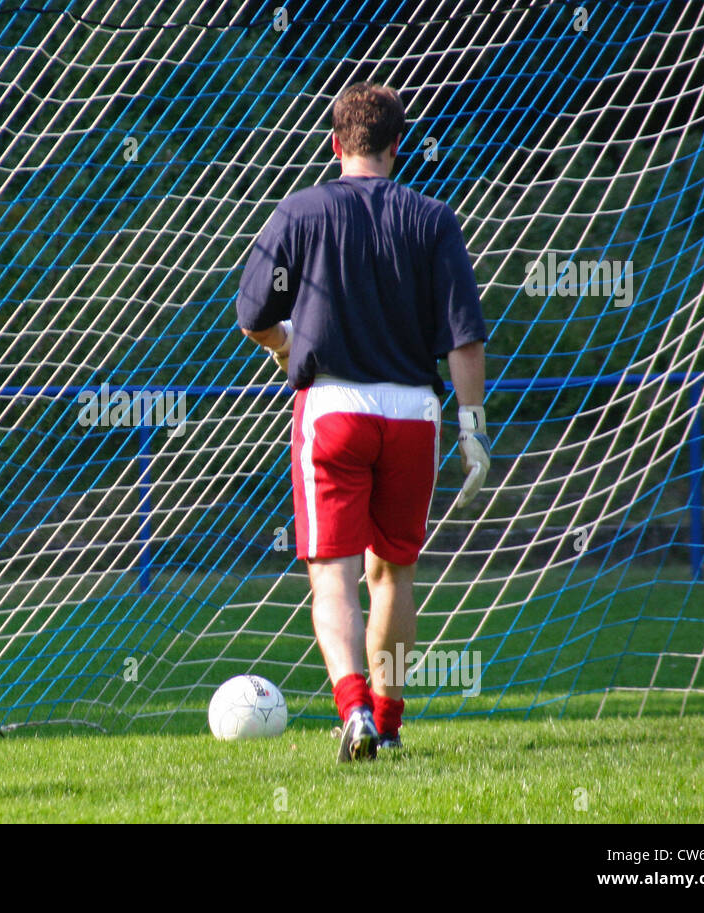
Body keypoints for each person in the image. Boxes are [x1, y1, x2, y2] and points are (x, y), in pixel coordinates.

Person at [234, 82, 491, 761]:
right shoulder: (434, 218)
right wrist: (473, 427)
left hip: (335, 409)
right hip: (413, 415)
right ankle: (389, 714)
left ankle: (353, 710)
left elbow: (254, 311)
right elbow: (465, 339)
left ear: (335, 144)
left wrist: (286, 345)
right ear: (397, 147)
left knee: (333, 577)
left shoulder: (303, 209)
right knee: (395, 575)